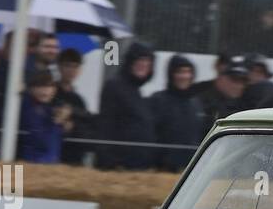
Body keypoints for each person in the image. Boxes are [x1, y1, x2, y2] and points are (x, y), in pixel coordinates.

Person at [97, 41, 158, 170]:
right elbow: (105, 128)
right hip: (119, 169)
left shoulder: (137, 92)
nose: (144, 64)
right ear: (131, 61)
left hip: (138, 169)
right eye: (140, 59)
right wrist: (111, 163)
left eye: (147, 61)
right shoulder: (114, 86)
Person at [150, 55, 207, 173]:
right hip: (163, 170)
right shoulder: (158, 100)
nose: (184, 76)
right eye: (180, 72)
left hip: (191, 171)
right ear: (171, 74)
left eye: (188, 72)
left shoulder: (196, 103)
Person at [18, 70, 71, 163]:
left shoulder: (49, 109)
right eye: (39, 86)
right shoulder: (28, 107)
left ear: (54, 90)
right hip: (33, 165)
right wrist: (57, 122)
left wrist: (66, 126)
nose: (44, 90)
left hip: (50, 167)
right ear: (31, 88)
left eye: (49, 86)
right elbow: (41, 141)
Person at [53, 48, 94, 165]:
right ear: (59, 67)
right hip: (55, 156)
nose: (71, 70)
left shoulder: (79, 99)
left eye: (75, 66)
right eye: (67, 66)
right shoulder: (50, 92)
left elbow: (87, 122)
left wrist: (72, 114)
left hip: (75, 158)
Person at [193, 55, 250, 136]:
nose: (239, 86)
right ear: (221, 77)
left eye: (243, 81)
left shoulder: (246, 105)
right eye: (234, 79)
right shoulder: (200, 99)